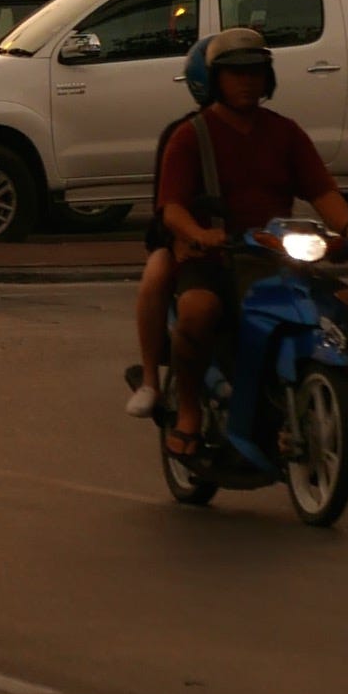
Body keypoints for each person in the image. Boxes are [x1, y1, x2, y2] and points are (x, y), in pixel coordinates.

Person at [158, 20, 348, 449]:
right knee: (195, 313)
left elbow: (323, 192)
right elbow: (171, 207)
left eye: (255, 72)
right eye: (236, 73)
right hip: (215, 259)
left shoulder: (285, 132)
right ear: (216, 80)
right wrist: (198, 234)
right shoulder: (191, 136)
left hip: (276, 257)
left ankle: (299, 392)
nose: (247, 82)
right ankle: (190, 409)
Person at [125, 32, 214, 416]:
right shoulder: (183, 136)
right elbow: (166, 208)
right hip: (186, 242)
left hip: (250, 242)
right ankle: (150, 380)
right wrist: (185, 238)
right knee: (157, 273)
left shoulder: (275, 130)